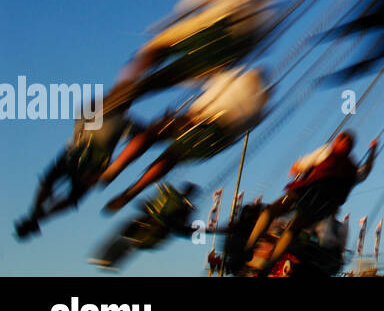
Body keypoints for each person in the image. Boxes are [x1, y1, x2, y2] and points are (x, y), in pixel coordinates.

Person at [105, 0, 281, 113]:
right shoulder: (273, 12)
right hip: (227, 51)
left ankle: (115, 96)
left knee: (156, 48)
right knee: (166, 78)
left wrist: (176, 16)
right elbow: (260, 48)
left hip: (214, 27)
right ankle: (121, 101)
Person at [100, 67, 268, 212]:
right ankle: (133, 191)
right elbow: (243, 131)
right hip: (216, 140)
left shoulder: (234, 78)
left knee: (153, 133)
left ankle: (114, 168)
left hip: (201, 119)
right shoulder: (259, 108)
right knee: (171, 158)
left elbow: (210, 81)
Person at [242, 131, 376, 276]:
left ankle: (248, 248)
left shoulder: (326, 151)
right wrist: (372, 151)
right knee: (292, 231)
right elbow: (365, 172)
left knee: (270, 212)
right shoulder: (351, 170)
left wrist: (297, 167)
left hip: (305, 193)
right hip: (320, 207)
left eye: (339, 140)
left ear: (339, 141)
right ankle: (270, 263)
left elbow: (303, 164)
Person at [14, 113, 132, 239]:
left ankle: (36, 213)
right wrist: (39, 212)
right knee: (62, 183)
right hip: (87, 151)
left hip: (88, 152)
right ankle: (36, 213)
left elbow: (55, 189)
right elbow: (52, 186)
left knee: (63, 184)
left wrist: (39, 213)